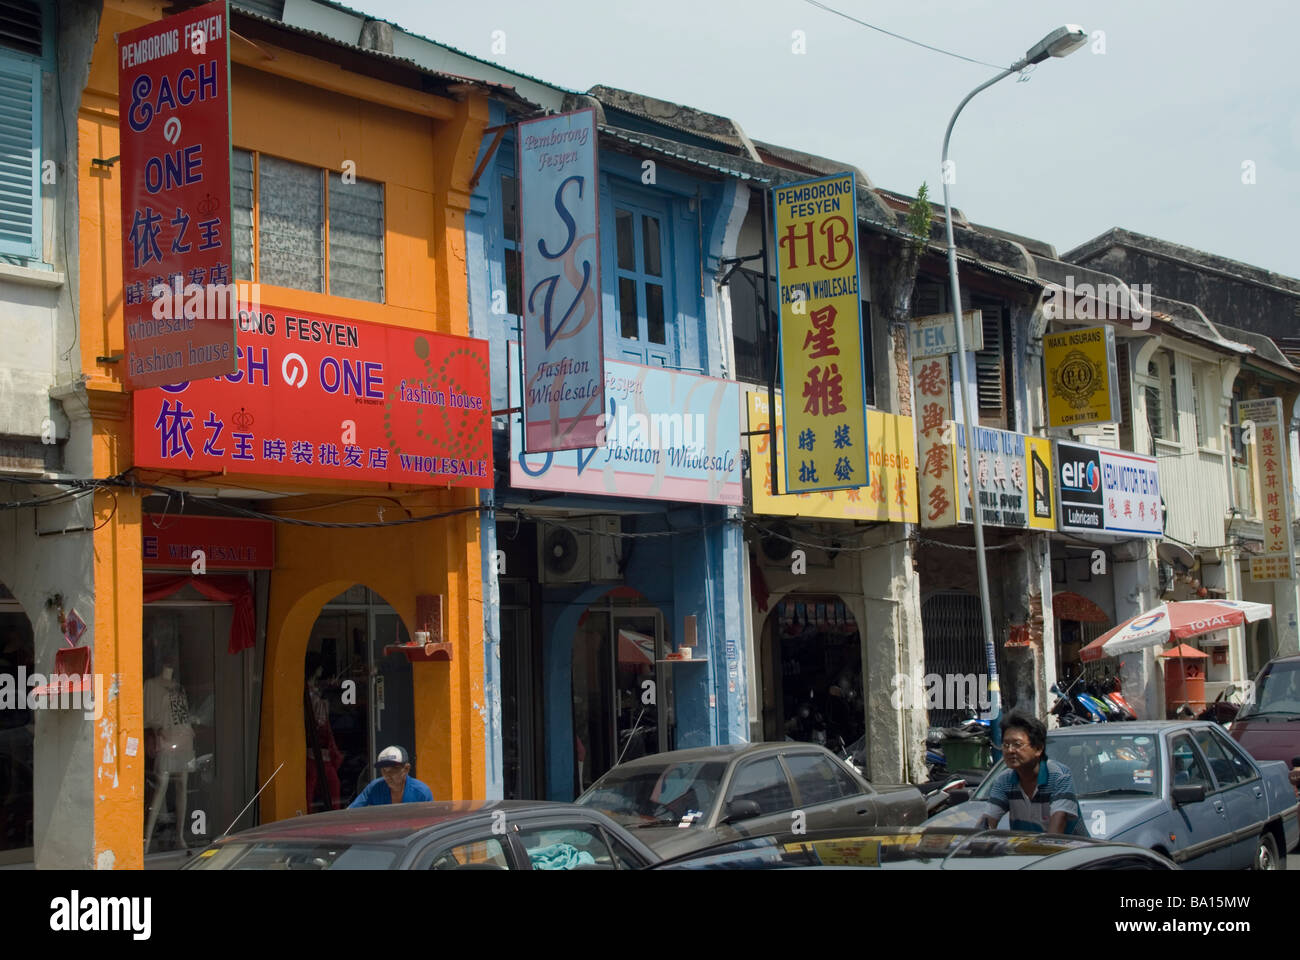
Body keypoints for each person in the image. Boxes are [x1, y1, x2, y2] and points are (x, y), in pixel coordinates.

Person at [979, 711, 1089, 836]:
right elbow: (987, 821)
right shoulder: (1004, 781)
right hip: (1027, 852)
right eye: (1006, 745)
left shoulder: (1058, 776)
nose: (1010, 750)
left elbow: (1057, 828)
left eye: (1017, 744)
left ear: (1038, 749)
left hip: (1070, 852)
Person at [348, 746, 433, 807]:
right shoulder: (374, 787)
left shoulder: (421, 792)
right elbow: (351, 813)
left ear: (406, 769)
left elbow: (431, 823)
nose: (387, 775)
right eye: (384, 770)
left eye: (393, 770)